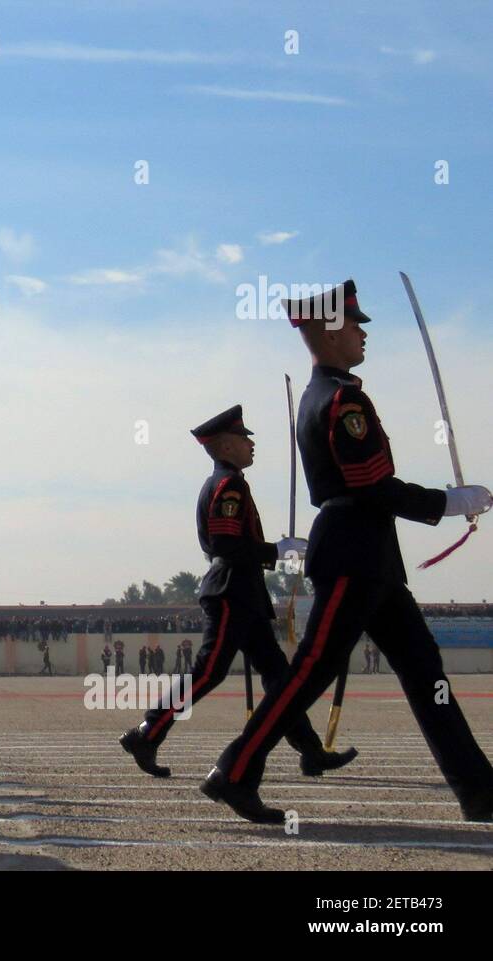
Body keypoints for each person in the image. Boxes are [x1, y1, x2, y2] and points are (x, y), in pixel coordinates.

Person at [203, 280, 493, 823]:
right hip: (353, 554)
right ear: (330, 329)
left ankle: (478, 789)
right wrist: (448, 502)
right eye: (355, 324)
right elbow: (371, 486)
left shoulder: (333, 395)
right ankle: (236, 768)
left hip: (373, 556)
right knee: (312, 668)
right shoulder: (342, 400)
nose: (362, 333)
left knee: (424, 669)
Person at [120, 405, 357, 780]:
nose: (250, 445)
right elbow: (226, 546)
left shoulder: (225, 483)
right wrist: (277, 551)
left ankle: (311, 751)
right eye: (244, 439)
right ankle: (147, 732)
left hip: (243, 592)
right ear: (226, 446)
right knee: (209, 671)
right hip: (231, 590)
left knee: (280, 678)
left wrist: (276, 551)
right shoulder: (229, 485)